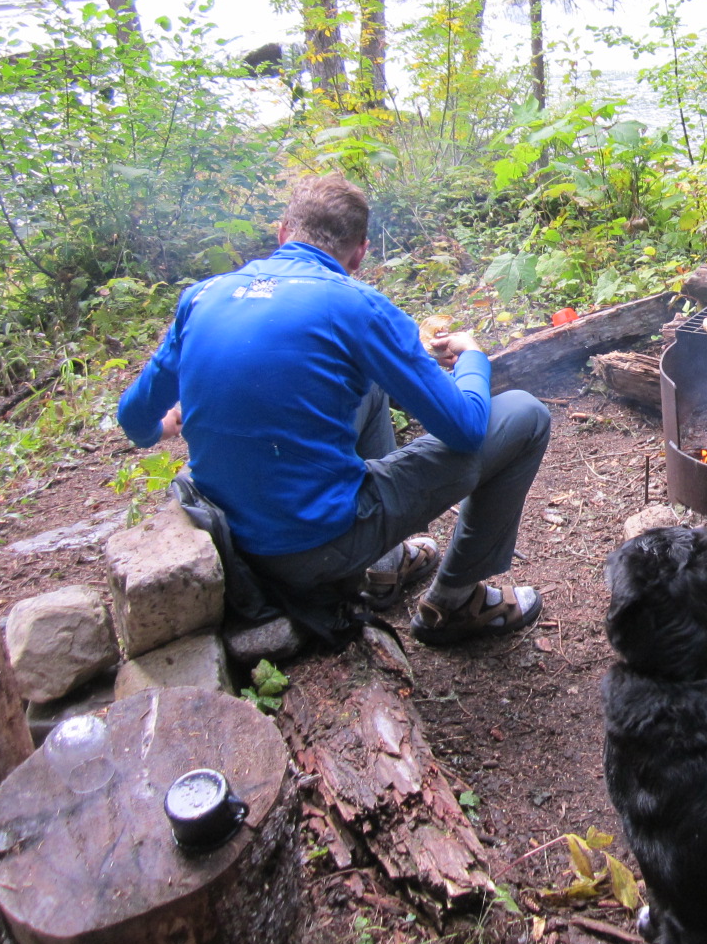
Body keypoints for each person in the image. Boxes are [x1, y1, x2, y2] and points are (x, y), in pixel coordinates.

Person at [117, 174, 550, 647]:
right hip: (313, 548)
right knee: (524, 414)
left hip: (232, 537)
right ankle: (456, 602)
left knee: (366, 389)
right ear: (360, 252)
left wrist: (164, 424)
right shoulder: (356, 305)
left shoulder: (201, 296)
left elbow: (133, 419)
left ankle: (384, 568)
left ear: (282, 233)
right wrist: (472, 357)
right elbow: (465, 429)